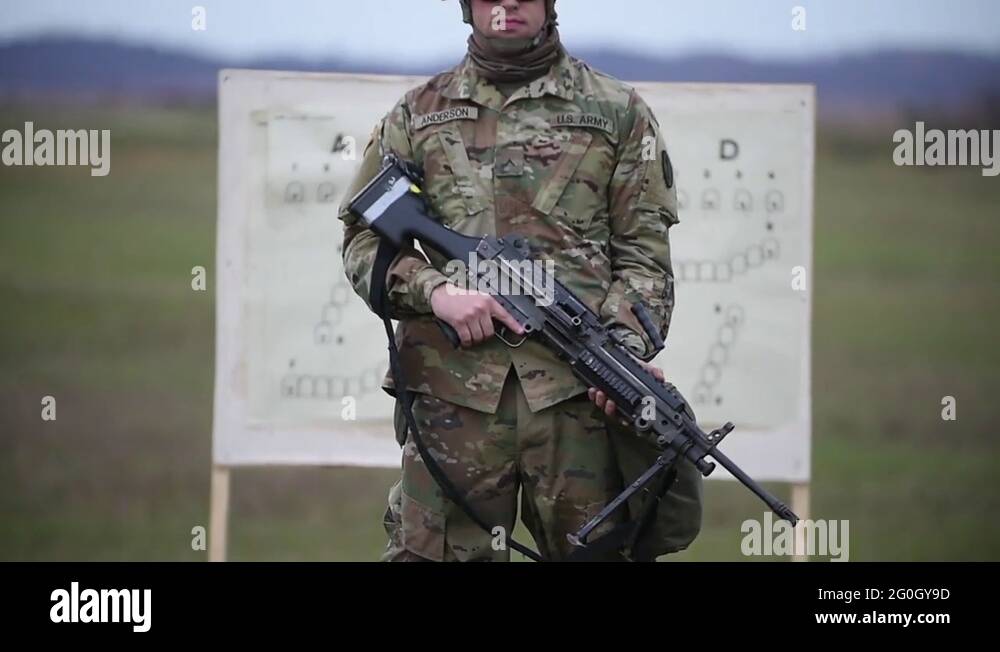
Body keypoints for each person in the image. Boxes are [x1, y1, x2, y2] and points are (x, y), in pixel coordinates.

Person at [338, 0, 698, 561]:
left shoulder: (619, 112)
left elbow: (644, 259)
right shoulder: (415, 114)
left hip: (577, 403)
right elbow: (364, 244)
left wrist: (621, 359)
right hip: (449, 402)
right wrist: (437, 294)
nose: (506, 3)